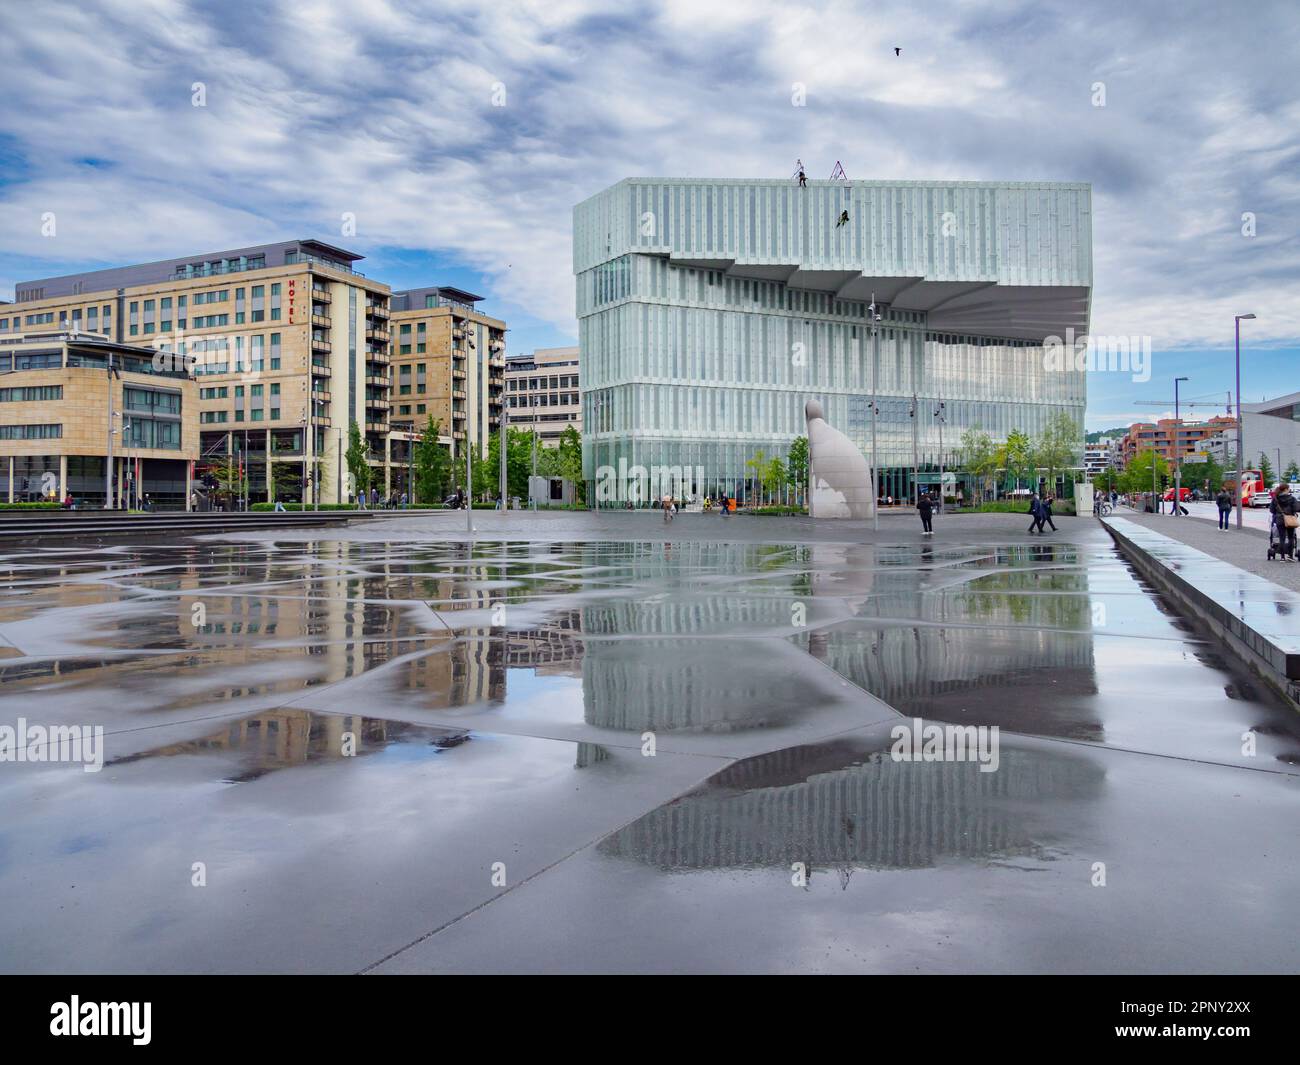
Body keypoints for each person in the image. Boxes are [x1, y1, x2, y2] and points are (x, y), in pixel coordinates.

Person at [1271, 483, 1298, 559]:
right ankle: (1290, 556)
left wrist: (1278, 513)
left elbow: (1272, 510)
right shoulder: (1292, 498)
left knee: (1282, 538)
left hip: (1279, 519)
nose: (1289, 490)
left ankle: (1282, 557)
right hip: (1290, 520)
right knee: (1291, 538)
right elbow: (1296, 508)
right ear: (1286, 489)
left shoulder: (1276, 499)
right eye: (1288, 489)